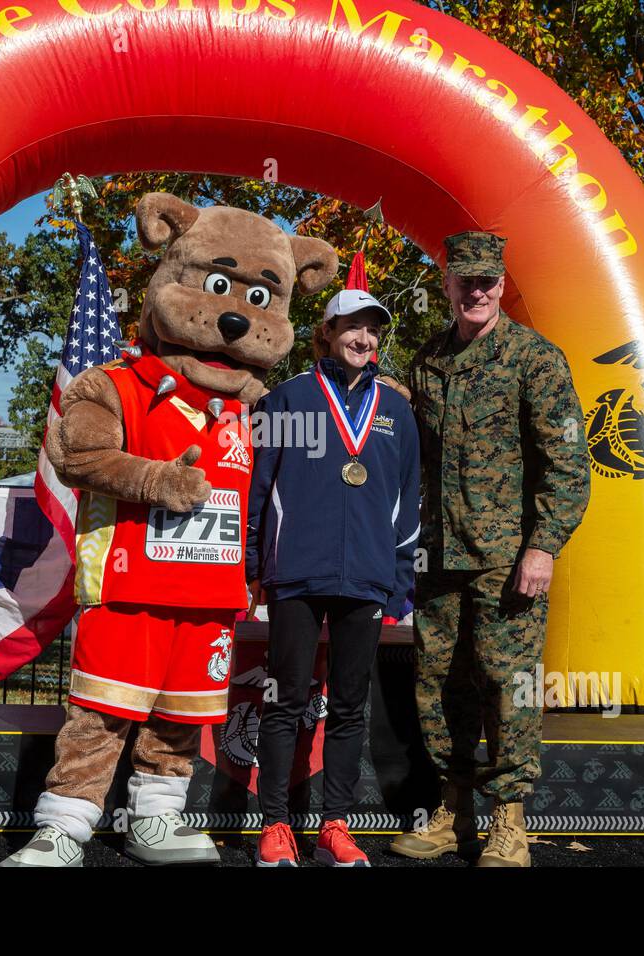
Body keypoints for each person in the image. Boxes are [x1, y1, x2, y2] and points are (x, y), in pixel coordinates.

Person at [389, 231, 590, 868]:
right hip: (438, 557)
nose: (475, 291)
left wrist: (544, 547)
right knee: (438, 686)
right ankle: (451, 808)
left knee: (510, 686)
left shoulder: (535, 359)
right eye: (464, 281)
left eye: (487, 282)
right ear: (446, 286)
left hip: (507, 559)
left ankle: (510, 822)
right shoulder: (426, 362)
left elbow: (567, 464)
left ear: (500, 285)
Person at [246, 289, 420, 867]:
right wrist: (252, 570)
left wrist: (398, 583)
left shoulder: (397, 413)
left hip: (367, 579)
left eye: (372, 330)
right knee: (286, 702)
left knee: (349, 708)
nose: (362, 339)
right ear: (326, 331)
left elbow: (407, 503)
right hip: (296, 573)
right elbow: (258, 490)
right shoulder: (288, 400)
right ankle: (274, 825)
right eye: (352, 327)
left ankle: (335, 825)